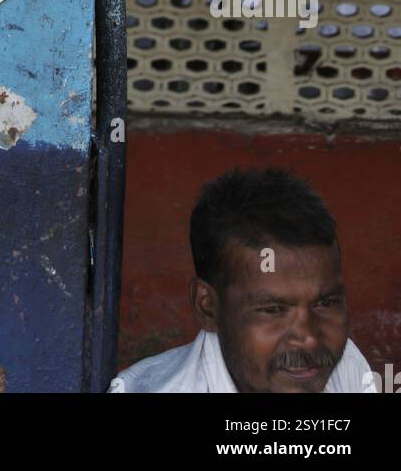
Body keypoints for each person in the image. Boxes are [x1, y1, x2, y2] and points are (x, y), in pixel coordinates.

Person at [109, 167, 376, 393]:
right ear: (208, 307)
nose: (308, 337)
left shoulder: (343, 364)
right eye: (273, 310)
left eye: (325, 303)